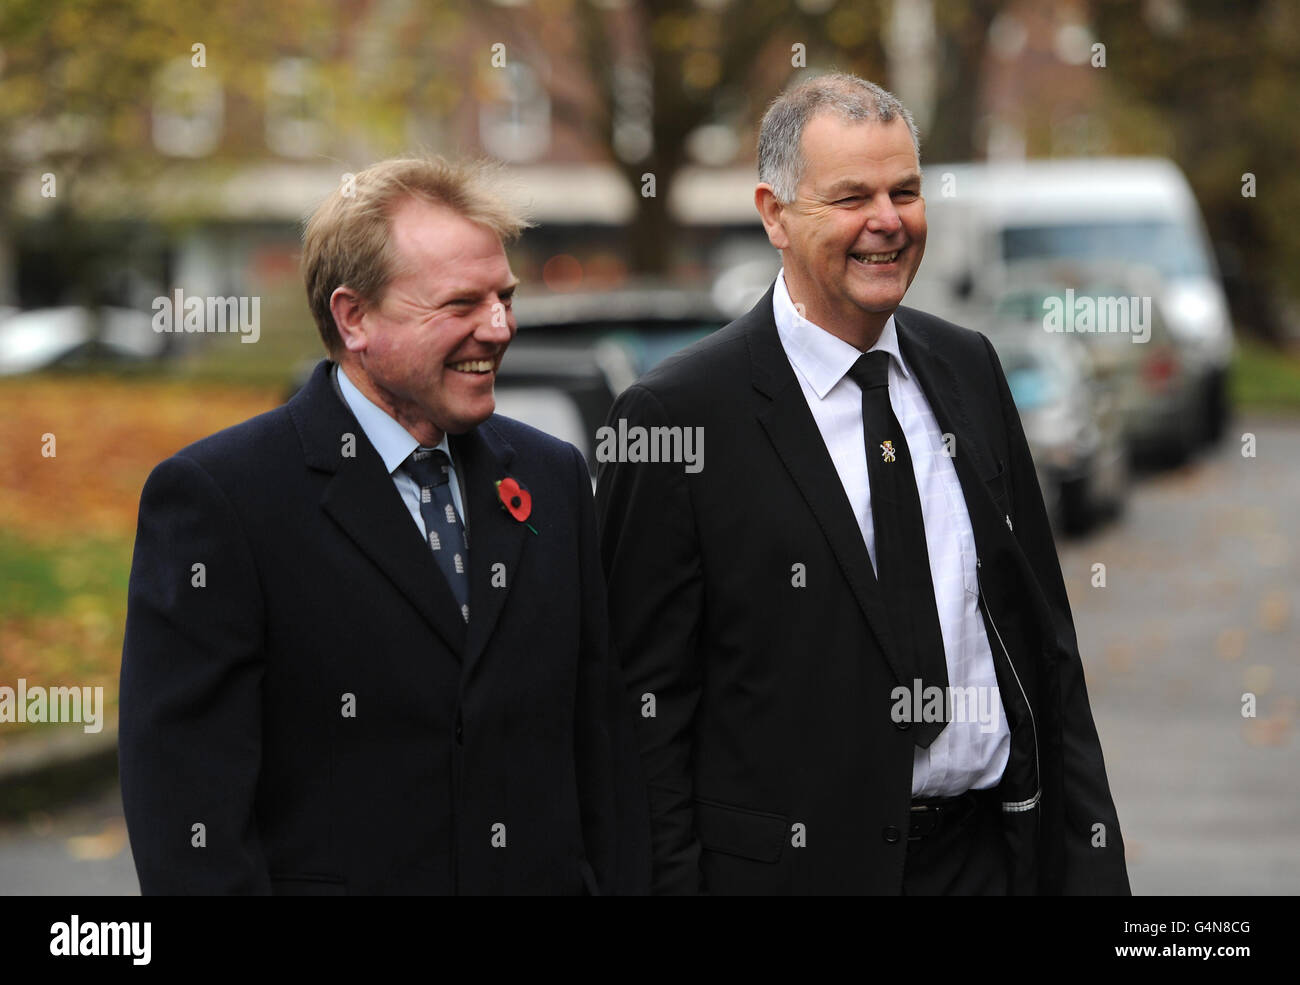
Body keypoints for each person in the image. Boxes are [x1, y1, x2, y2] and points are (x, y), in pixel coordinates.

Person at [596, 74, 1130, 894]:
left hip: (989, 863)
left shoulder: (968, 368)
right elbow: (644, 715)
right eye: (852, 196)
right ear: (774, 213)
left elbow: (1045, 646)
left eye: (905, 191)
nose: (888, 220)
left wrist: (1092, 868)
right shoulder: (675, 416)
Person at [120, 156, 647, 895]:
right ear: (353, 316)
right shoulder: (220, 501)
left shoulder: (551, 477)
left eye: (504, 296)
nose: (499, 327)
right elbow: (186, 817)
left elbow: (603, 754)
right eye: (461, 303)